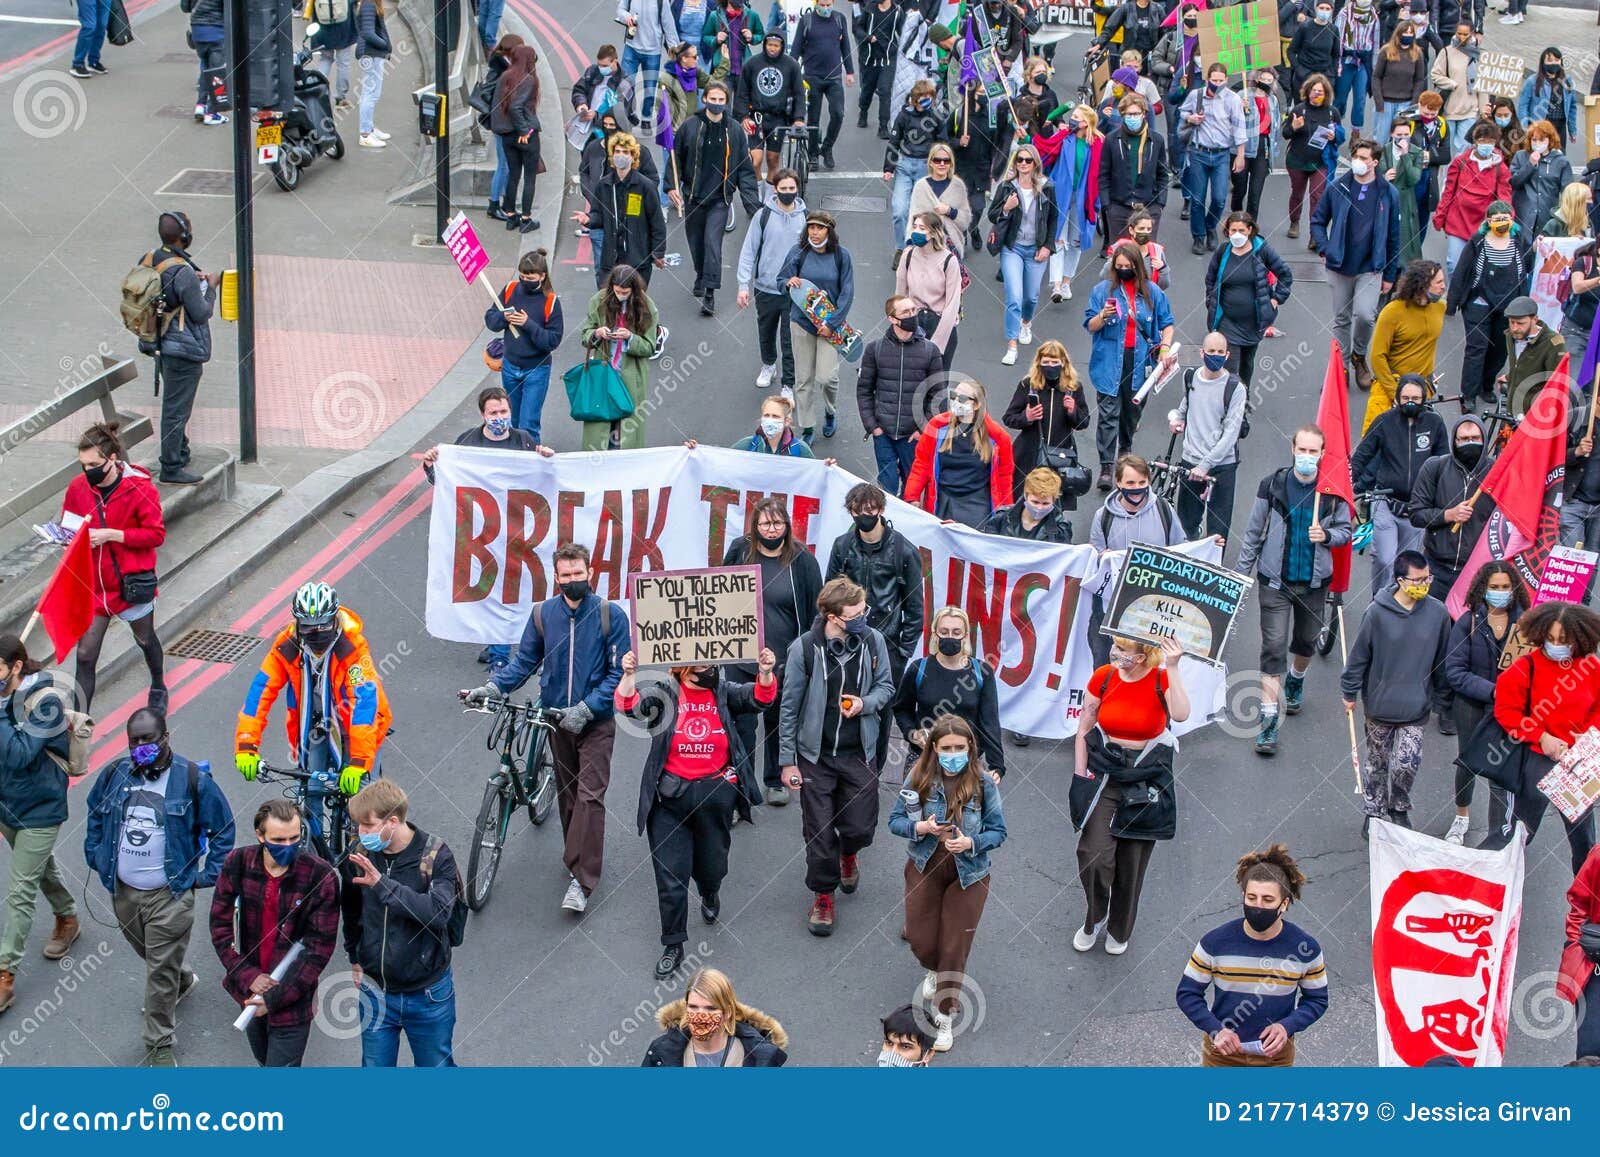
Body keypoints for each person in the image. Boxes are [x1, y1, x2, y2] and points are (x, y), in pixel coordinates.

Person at [467, 543, 629, 911]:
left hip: (595, 721)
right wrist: (494, 687)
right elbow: (524, 660)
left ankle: (582, 882)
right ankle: (576, 855)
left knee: (590, 797)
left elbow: (618, 673)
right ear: (556, 578)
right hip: (556, 719)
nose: (573, 580)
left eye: (579, 573)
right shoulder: (543, 615)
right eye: (566, 575)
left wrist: (588, 709)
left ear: (591, 573)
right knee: (568, 793)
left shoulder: (610, 616)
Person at [84, 708, 235, 1066]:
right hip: (124, 893)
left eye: (147, 739)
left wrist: (203, 876)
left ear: (165, 737)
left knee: (158, 969)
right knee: (152, 957)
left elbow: (223, 829)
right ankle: (179, 980)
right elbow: (94, 812)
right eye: (133, 740)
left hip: (170, 896)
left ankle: (159, 1044)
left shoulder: (193, 779)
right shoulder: (114, 775)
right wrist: (95, 854)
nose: (139, 747)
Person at [618, 646, 777, 977]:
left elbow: (760, 699)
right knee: (670, 875)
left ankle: (710, 890)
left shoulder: (724, 692)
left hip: (714, 796)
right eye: (698, 666)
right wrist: (629, 677)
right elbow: (630, 707)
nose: (707, 670)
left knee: (712, 865)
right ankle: (673, 943)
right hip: (669, 799)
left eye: (709, 664)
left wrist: (764, 671)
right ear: (681, 669)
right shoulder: (664, 694)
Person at [778, 576, 896, 937]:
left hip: (859, 753)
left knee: (860, 826)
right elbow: (789, 707)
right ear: (832, 617)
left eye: (864, 611)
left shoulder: (873, 642)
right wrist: (787, 760)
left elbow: (887, 687)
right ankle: (823, 896)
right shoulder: (804, 649)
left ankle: (849, 854)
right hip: (816, 757)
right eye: (856, 613)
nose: (864, 617)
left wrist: (864, 704)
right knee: (818, 830)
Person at [887, 715, 1006, 1053]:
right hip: (925, 865)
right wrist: (921, 828)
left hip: (970, 874)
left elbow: (999, 831)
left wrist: (971, 843)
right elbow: (895, 821)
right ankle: (935, 970)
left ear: (970, 749)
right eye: (946, 748)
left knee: (954, 946)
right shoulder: (920, 776)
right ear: (934, 749)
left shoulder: (984, 783)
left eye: (959, 748)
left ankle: (944, 1015)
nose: (953, 754)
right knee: (920, 939)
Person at [1237, 426, 1354, 755]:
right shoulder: (1272, 485)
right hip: (1274, 582)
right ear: (1292, 449)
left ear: (1322, 453)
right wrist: (1239, 576)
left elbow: (1347, 530)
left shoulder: (1331, 491)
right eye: (1301, 449)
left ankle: (1296, 678)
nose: (1306, 456)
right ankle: (1268, 724)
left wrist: (1327, 537)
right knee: (1273, 646)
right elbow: (1253, 532)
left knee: (1305, 642)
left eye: (1312, 451)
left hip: (1315, 585)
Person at [1071, 636, 1189, 955]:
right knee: (1093, 854)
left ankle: (1119, 930)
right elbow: (1085, 725)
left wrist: (1174, 667)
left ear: (1141, 656)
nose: (1115, 653)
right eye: (1115, 646)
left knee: (1131, 861)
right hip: (1108, 772)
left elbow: (1180, 714)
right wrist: (1081, 773)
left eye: (1123, 650)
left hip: (1146, 777)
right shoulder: (1104, 676)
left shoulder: (1161, 678)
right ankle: (1095, 916)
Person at [208, 800, 339, 1067]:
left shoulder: (320, 876)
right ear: (260, 835)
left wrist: (275, 997)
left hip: (292, 997)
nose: (288, 846)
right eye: (279, 839)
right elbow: (220, 928)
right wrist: (248, 975)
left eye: (295, 838)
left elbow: (318, 949)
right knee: (263, 1059)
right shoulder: (238, 863)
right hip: (248, 991)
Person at [234, 577, 391, 798]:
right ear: (298, 624)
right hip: (315, 726)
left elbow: (364, 705)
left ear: (335, 619)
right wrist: (246, 743)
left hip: (355, 726)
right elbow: (260, 694)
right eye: (308, 628)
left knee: (366, 805)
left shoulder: (353, 649)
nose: (317, 634)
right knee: (310, 793)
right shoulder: (286, 647)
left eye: (324, 626)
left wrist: (359, 761)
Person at [341, 779, 461, 1066]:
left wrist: (382, 884)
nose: (361, 833)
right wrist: (354, 957)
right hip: (375, 992)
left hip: (427, 994)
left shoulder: (436, 856)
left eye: (368, 826)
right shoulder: (360, 853)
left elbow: (438, 912)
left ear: (392, 822)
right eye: (358, 825)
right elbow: (351, 908)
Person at [1177, 844, 1329, 1067]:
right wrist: (1216, 1030)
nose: (1258, 906)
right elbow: (1187, 993)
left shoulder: (1305, 949)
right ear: (1243, 896)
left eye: (1267, 900)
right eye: (1251, 898)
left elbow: (1317, 999)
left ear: (1284, 904)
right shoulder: (1214, 943)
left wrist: (1287, 1026)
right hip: (1221, 1054)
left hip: (1275, 1057)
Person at [1478, 602, 1600, 872]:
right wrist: (1540, 736)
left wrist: (1589, 734)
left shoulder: (1591, 667)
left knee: (1584, 839)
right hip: (1538, 760)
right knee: (1521, 830)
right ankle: (1489, 877)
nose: (1556, 645)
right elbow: (1506, 711)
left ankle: (1588, 898)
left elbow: (1597, 708)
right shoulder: (1527, 666)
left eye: (1563, 641)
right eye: (1550, 639)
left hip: (1577, 762)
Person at [1341, 551, 1452, 836]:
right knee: (1377, 762)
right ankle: (1374, 812)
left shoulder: (1438, 613)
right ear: (1400, 580)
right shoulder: (1376, 613)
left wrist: (1443, 697)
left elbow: (1443, 659)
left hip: (1416, 707)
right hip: (1380, 706)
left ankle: (1398, 807)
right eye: (1417, 579)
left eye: (1427, 578)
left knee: (1407, 762)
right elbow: (1359, 656)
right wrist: (1349, 690)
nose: (1424, 584)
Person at [721, 498, 822, 806]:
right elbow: (718, 590)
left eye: (777, 524)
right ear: (755, 526)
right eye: (765, 524)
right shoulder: (740, 550)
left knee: (779, 722)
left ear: (787, 526)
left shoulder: (802, 559)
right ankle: (742, 786)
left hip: (783, 658)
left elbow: (816, 608)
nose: (771, 529)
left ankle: (774, 780)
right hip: (741, 655)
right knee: (742, 725)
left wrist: (807, 651)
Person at [0, 636, 80, 1018]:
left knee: (19, 890)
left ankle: (5, 975)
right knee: (35, 867)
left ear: (15, 667)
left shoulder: (45, 702)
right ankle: (67, 915)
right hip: (7, 806)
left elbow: (18, 756)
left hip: (41, 808)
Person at [62, 423, 167, 711]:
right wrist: (66, 540)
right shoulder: (77, 488)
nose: (87, 472)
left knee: (145, 639)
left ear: (112, 459)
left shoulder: (140, 489)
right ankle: (79, 720)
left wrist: (112, 535)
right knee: (85, 655)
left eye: (94, 464)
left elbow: (155, 534)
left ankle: (158, 684)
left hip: (130, 584)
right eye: (83, 465)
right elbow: (69, 524)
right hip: (96, 588)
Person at [1083, 242, 1176, 489]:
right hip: (1109, 361)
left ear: (1137, 266)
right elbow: (1090, 325)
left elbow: (1167, 323)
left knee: (1132, 412)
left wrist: (1165, 348)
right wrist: (1102, 315)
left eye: (1128, 266)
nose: (1123, 270)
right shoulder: (1102, 291)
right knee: (1107, 414)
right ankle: (1106, 465)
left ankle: (1125, 451)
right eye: (1119, 266)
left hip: (1140, 361)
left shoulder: (1152, 292)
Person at [666, 80, 763, 316]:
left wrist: (754, 207)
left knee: (712, 244)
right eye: (713, 99)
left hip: (720, 200)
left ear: (726, 102)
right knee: (696, 244)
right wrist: (671, 185)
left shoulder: (735, 131)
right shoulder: (690, 126)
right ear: (705, 99)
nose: (717, 104)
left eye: (722, 100)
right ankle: (701, 275)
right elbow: (675, 159)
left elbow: (744, 168)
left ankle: (709, 293)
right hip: (693, 198)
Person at [1442, 560, 1522, 846]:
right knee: (1468, 761)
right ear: (1483, 589)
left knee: (1500, 769)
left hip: (1508, 710)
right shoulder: (1469, 622)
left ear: (1514, 589)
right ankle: (1461, 817)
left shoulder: (1525, 624)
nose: (1500, 592)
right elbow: (1455, 671)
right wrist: (1493, 691)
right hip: (1472, 706)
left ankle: (1496, 835)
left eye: (1505, 587)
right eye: (1494, 587)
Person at [1313, 137, 1402, 392]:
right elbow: (1318, 220)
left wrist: (1390, 275)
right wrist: (1325, 246)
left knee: (1365, 315)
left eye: (1364, 158)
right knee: (1341, 319)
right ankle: (1340, 368)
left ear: (1375, 162)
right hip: (1340, 265)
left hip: (1371, 267)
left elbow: (1394, 237)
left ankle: (1359, 356)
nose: (1358, 162)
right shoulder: (1338, 187)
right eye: (1355, 157)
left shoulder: (1388, 193)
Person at [137, 211, 219, 485]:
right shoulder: (182, 271)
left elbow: (165, 290)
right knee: (176, 409)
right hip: (182, 349)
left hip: (158, 342)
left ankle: (181, 452)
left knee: (176, 403)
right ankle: (171, 466)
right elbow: (201, 313)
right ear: (184, 235)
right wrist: (210, 287)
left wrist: (190, 280)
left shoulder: (151, 258)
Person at [1351, 375, 1448, 592]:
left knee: (1407, 564)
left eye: (1416, 397)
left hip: (1417, 509)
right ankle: (1379, 600)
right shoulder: (1384, 421)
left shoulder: (1435, 423)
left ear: (1424, 398)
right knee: (1385, 559)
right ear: (1397, 398)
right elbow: (1362, 457)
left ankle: (1400, 605)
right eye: (1405, 398)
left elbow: (1444, 460)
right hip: (1386, 502)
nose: (1410, 402)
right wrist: (1348, 484)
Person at [826, 483, 925, 682]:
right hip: (846, 641)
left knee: (883, 708)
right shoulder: (842, 546)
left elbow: (915, 609)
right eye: (857, 510)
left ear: (880, 509)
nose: (863, 515)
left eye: (869, 509)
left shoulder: (904, 551)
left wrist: (901, 655)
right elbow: (829, 597)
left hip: (888, 647)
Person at [893, 607, 1005, 774]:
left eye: (956, 632)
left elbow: (990, 723)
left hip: (967, 760)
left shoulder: (981, 673)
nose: (950, 637)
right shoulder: (919, 669)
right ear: (935, 634)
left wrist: (997, 766)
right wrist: (912, 733)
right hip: (924, 759)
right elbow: (902, 709)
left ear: (965, 635)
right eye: (944, 631)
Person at [1445, 202, 1531, 415]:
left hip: (1509, 303)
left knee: (1500, 348)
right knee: (1477, 348)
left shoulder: (1518, 239)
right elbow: (1462, 271)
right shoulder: (1478, 241)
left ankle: (1486, 385)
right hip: (1479, 302)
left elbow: (1528, 264)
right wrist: (1452, 303)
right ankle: (1469, 395)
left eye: (1505, 216)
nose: (1501, 220)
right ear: (1488, 220)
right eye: (1497, 217)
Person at [780, 211, 854, 442]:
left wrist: (832, 324)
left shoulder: (842, 256)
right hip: (801, 323)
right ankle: (808, 428)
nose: (814, 231)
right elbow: (781, 279)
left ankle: (830, 412)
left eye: (820, 228)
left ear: (829, 231)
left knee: (827, 377)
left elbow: (847, 293)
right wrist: (788, 282)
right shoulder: (798, 253)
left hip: (829, 326)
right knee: (803, 379)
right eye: (811, 227)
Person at [857, 296, 943, 494]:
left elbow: (938, 395)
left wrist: (922, 429)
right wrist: (873, 427)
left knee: (912, 489)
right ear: (892, 319)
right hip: (883, 434)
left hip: (912, 436)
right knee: (887, 489)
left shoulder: (930, 351)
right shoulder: (875, 349)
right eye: (906, 312)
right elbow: (864, 390)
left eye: (914, 310)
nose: (913, 315)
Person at [1170, 332, 1249, 543]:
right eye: (1211, 351)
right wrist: (1177, 418)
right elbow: (1185, 406)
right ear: (1202, 353)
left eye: (1220, 352)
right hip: (1191, 461)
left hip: (1221, 467)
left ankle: (1212, 570)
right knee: (1186, 524)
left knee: (1218, 531)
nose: (1215, 355)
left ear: (1227, 355)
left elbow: (1231, 433)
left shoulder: (1235, 389)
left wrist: (1205, 465)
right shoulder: (1190, 377)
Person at [904, 380, 1015, 529]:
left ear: (977, 404)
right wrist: (912, 496)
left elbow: (1004, 476)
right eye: (953, 396)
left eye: (962, 398)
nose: (956, 401)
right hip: (942, 499)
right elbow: (921, 464)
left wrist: (1006, 511)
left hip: (976, 503)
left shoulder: (998, 437)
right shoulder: (936, 426)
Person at [1409, 414, 1493, 602]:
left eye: (1475, 439)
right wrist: (1448, 515)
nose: (1469, 443)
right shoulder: (1435, 467)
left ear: (1484, 440)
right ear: (1454, 441)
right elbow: (1416, 514)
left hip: (1477, 571)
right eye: (1463, 439)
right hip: (1436, 568)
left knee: (1466, 629)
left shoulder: (1496, 473)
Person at [482, 250, 564, 440]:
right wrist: (503, 316)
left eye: (530, 277)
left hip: (536, 369)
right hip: (510, 366)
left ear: (542, 276)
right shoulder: (510, 289)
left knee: (528, 426)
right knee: (512, 421)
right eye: (522, 276)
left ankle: (531, 464)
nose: (525, 280)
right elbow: (491, 320)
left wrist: (528, 324)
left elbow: (552, 341)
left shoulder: (551, 301)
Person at [1204, 211, 1292, 387]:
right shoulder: (1223, 251)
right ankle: (1231, 404)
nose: (1237, 234)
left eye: (1241, 230)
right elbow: (1211, 278)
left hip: (1254, 322)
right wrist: (1211, 301)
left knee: (1247, 363)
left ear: (1250, 230)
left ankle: (1243, 399)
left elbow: (1285, 274)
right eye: (1233, 230)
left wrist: (1275, 300)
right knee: (1231, 366)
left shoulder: (1262, 250)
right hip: (1226, 321)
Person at [738, 170, 807, 392]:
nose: (788, 193)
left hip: (792, 290)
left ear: (797, 189)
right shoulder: (763, 216)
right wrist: (743, 285)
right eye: (783, 188)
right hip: (765, 288)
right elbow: (749, 250)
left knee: (790, 341)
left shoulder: (806, 219)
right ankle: (768, 365)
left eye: (791, 188)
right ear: (775, 189)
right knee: (766, 332)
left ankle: (788, 384)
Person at [989, 144, 1057, 368]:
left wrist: (1047, 246)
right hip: (1013, 248)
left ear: (1035, 162)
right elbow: (993, 215)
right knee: (1014, 297)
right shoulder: (1007, 187)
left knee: (1032, 297)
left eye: (1028, 160)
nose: (1024, 164)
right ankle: (1012, 345)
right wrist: (1007, 208)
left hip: (1036, 249)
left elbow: (1053, 219)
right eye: (1020, 160)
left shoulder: (1046, 187)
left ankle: (1026, 322)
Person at [580, 265, 661, 451]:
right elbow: (585, 336)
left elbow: (649, 346)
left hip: (630, 377)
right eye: (616, 291)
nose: (620, 295)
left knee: (626, 430)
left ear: (634, 290)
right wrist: (597, 333)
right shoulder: (598, 301)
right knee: (600, 423)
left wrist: (630, 338)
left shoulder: (648, 307)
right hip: (604, 372)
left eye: (624, 292)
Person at [1001, 341, 1092, 505]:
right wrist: (1026, 417)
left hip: (1060, 456)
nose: (1050, 366)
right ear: (1039, 363)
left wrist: (1073, 411)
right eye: (1046, 362)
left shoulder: (1074, 387)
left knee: (1055, 503)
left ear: (1063, 362)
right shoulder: (1028, 385)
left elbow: (1084, 422)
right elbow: (1009, 417)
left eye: (1055, 362)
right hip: (1029, 455)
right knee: (1023, 500)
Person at [642, 968, 788, 1066]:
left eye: (710, 1008)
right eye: (693, 1007)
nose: (700, 1016)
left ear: (728, 1012)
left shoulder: (758, 1055)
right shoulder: (661, 1051)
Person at [1367, 258, 1445, 432]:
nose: (1443, 286)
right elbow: (1377, 356)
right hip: (1391, 391)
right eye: (1439, 282)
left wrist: (1428, 385)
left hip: (1421, 393)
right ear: (1423, 285)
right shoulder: (1392, 312)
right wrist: (1395, 392)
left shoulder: (1440, 308)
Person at [1178, 62, 1248, 257]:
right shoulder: (1196, 95)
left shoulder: (1233, 99)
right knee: (1198, 199)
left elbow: (1239, 127)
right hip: (1199, 152)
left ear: (1226, 80)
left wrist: (1240, 155)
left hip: (1221, 154)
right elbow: (1182, 111)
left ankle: (1211, 226)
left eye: (1221, 80)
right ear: (1207, 80)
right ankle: (1198, 236)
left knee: (1218, 198)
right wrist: (1190, 118)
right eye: (1214, 80)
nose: (1217, 83)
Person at [1035, 104, 1101, 302]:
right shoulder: (1064, 138)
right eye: (1072, 115)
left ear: (1086, 123)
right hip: (1060, 194)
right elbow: (1042, 148)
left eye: (1076, 117)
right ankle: (1055, 284)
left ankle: (1066, 282)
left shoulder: (1097, 144)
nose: (1072, 119)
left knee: (1075, 242)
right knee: (1057, 239)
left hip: (1083, 198)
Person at [586, 132, 667, 290]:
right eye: (617, 151)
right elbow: (598, 215)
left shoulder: (645, 186)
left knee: (635, 307)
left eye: (625, 152)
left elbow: (656, 222)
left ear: (633, 156)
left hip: (638, 260)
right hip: (611, 260)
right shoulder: (604, 186)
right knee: (609, 306)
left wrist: (658, 252)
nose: (620, 156)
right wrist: (588, 219)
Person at [1434, 124, 1511, 279]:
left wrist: (1505, 221)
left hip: (1483, 225)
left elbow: (1504, 198)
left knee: (1479, 267)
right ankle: (1454, 297)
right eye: (1482, 141)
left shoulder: (1500, 168)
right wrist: (1440, 216)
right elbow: (1448, 191)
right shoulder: (1460, 162)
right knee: (1454, 265)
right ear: (1475, 142)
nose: (1486, 145)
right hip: (1458, 221)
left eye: (1490, 141)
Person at [884, 81, 948, 263]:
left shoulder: (936, 117)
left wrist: (941, 167)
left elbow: (942, 143)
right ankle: (901, 248)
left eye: (930, 98)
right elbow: (894, 142)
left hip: (926, 168)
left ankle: (924, 247)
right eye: (923, 99)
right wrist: (888, 168)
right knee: (899, 209)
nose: (926, 102)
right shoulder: (904, 116)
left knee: (924, 211)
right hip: (904, 166)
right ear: (914, 100)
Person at [1098, 95, 1170, 248]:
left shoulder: (1156, 140)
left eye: (1136, 114)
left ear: (1144, 114)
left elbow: (1163, 174)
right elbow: (1103, 175)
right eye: (1129, 114)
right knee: (1121, 256)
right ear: (1122, 115)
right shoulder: (1111, 139)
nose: (1133, 117)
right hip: (1118, 207)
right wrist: (1107, 206)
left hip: (1148, 207)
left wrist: (1160, 203)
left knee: (1146, 255)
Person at [737, 30, 805, 186]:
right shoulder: (752, 64)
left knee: (773, 159)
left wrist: (799, 118)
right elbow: (742, 93)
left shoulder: (791, 65)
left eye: (776, 45)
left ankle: (769, 194)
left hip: (778, 118)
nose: (772, 48)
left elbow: (799, 94)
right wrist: (743, 116)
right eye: (770, 45)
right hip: (756, 118)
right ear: (765, 44)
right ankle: (758, 190)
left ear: (781, 46)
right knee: (755, 160)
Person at [895, 215, 963, 371]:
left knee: (936, 383)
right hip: (914, 320)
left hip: (939, 322)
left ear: (933, 233)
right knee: (910, 379)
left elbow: (952, 305)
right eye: (915, 226)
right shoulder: (908, 255)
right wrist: (899, 325)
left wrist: (936, 345)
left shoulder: (949, 261)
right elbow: (899, 295)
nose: (916, 231)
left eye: (922, 228)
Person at [794, 0, 854, 171]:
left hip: (833, 77)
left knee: (838, 113)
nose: (826, 8)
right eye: (822, 4)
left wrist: (849, 72)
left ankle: (827, 147)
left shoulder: (839, 19)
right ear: (817, 3)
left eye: (829, 4)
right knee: (813, 118)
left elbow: (846, 46)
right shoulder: (807, 20)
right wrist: (791, 74)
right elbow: (796, 48)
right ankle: (813, 154)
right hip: (812, 77)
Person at [1282, 74, 1341, 241]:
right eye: (1314, 91)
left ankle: (1314, 234)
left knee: (1317, 196)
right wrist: (1293, 126)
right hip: (1297, 161)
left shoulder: (1332, 112)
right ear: (1308, 92)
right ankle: (1294, 222)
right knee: (1297, 193)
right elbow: (1285, 134)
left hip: (1320, 162)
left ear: (1326, 94)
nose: (1316, 94)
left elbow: (1340, 135)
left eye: (1320, 91)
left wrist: (1334, 137)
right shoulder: (1299, 110)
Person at [491, 43, 541, 231]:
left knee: (513, 174)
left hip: (506, 135)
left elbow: (500, 107)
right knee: (529, 177)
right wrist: (524, 132)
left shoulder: (505, 76)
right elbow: (515, 108)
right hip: (524, 134)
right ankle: (526, 219)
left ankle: (511, 216)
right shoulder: (528, 79)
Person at [1558, 845, 1600, 1060]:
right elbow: (1579, 903)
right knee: (1590, 1053)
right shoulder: (1599, 855)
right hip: (1596, 968)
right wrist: (1581, 944)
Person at [616, 0, 682, 127]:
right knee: (626, 84)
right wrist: (626, 17)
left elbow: (668, 24)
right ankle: (628, 113)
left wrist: (675, 48)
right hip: (631, 48)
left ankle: (646, 117)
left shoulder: (661, 2)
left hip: (652, 51)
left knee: (650, 89)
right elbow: (620, 10)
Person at [1501, 295, 1567, 420]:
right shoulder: (1511, 335)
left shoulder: (1554, 343)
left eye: (1520, 323)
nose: (1514, 328)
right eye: (1511, 322)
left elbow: (1556, 384)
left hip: (1534, 416)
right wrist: (1510, 377)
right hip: (1512, 410)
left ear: (1535, 319)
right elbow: (1521, 364)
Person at [481, 35, 524, 220]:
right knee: (504, 165)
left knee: (508, 164)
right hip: (501, 124)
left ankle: (508, 204)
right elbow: (489, 93)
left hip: (506, 123)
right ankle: (494, 204)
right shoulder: (500, 69)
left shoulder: (508, 66)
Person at [1509, 121, 1574, 239]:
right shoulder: (1520, 156)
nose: (1537, 143)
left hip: (1547, 217)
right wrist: (1530, 164)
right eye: (1534, 140)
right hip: (1524, 217)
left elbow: (1568, 192)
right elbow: (1514, 183)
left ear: (1550, 140)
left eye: (1542, 140)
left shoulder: (1561, 161)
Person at [982, 467, 1074, 550]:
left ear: (1054, 501)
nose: (1039, 508)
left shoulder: (1061, 528)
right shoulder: (1001, 518)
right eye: (1035, 502)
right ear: (1025, 495)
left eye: (1045, 503)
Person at [907, 142, 972, 257]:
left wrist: (950, 211)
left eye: (946, 160)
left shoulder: (958, 186)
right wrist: (910, 244)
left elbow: (965, 221)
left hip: (951, 247)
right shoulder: (920, 186)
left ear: (951, 163)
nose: (942, 164)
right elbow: (913, 219)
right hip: (925, 247)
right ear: (931, 163)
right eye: (937, 160)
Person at [1232, 69, 1280, 221]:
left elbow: (1275, 126)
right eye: (1263, 79)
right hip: (1244, 146)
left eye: (1269, 80)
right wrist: (1239, 107)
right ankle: (1236, 217)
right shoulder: (1242, 95)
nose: (1266, 83)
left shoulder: (1273, 100)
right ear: (1256, 79)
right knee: (1240, 187)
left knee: (1256, 190)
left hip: (1262, 147)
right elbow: (1230, 120)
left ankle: (1251, 224)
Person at [1370, 23, 1425, 145]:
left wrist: (1413, 103)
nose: (1408, 35)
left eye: (1411, 33)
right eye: (1405, 33)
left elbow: (1419, 79)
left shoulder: (1417, 53)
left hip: (1405, 103)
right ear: (1398, 34)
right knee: (1381, 139)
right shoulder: (1386, 51)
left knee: (1402, 140)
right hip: (1386, 103)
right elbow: (1376, 76)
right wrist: (1379, 102)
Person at [1383, 114, 1425, 267]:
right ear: (1391, 134)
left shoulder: (1416, 152)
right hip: (1386, 200)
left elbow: (1414, 179)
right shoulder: (1383, 150)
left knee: (1405, 245)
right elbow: (1374, 176)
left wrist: (1405, 156)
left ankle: (1401, 276)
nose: (1403, 138)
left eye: (1406, 135)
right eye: (1399, 134)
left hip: (1406, 202)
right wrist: (1384, 177)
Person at [1517, 47, 1579, 150]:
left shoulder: (1567, 81)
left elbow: (1572, 107)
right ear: (1543, 62)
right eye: (1550, 60)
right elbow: (1523, 106)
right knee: (1540, 157)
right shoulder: (1532, 81)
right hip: (1540, 127)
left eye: (1557, 60)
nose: (1554, 63)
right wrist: (1526, 128)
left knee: (1559, 159)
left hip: (1560, 128)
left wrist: (1572, 130)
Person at [854, 0, 901, 136]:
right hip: (870, 58)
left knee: (885, 90)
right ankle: (863, 111)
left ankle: (883, 126)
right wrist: (867, 37)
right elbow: (858, 28)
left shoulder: (897, 12)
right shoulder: (869, 9)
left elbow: (903, 30)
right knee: (867, 89)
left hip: (888, 57)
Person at [1332, 0, 1381, 130]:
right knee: (1340, 99)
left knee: (1360, 100)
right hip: (1346, 61)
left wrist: (1375, 68)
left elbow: (1375, 43)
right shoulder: (1344, 14)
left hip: (1363, 63)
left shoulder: (1373, 16)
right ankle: (1335, 128)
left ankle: (1356, 132)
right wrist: (1338, 65)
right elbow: (1338, 40)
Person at [1432, 22, 1479, 154]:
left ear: (1472, 34)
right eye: (1459, 34)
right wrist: (1451, 83)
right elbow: (1435, 74)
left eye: (1466, 34)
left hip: (1470, 109)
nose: (1462, 37)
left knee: (1466, 150)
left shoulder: (1478, 54)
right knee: (1446, 150)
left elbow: (1484, 84)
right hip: (1450, 109)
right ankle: (1446, 175)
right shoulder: (1447, 52)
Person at [354, 0, 392, 149]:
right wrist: (385, 44)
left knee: (368, 93)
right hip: (371, 54)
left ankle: (369, 128)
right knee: (371, 93)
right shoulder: (369, 4)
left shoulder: (367, 3)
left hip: (370, 54)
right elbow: (368, 33)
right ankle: (365, 135)